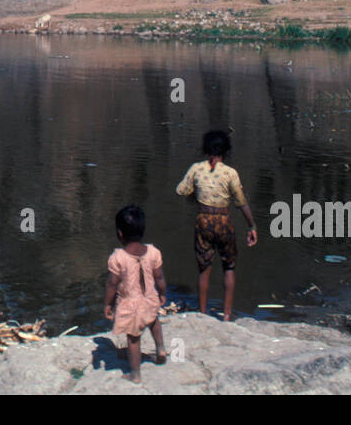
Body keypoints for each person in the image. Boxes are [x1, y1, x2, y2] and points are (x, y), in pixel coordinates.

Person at [175, 130, 258, 321]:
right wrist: (252, 227)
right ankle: (227, 314)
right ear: (226, 151)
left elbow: (181, 190)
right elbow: (241, 203)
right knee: (229, 266)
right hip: (223, 221)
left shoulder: (196, 169)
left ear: (206, 149)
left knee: (204, 268)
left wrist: (194, 195)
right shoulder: (230, 173)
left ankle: (203, 313)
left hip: (203, 220)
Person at [103, 204, 167, 383]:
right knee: (153, 320)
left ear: (120, 234)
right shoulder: (153, 252)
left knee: (133, 338)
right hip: (150, 298)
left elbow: (112, 284)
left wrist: (108, 304)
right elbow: (159, 277)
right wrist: (162, 293)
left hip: (131, 304)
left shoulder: (118, 258)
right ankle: (161, 349)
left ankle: (135, 374)